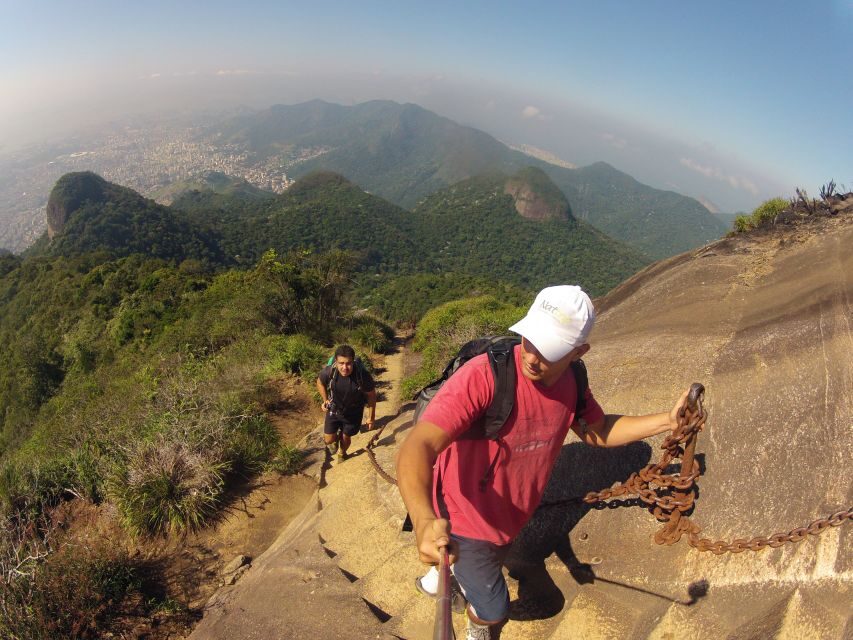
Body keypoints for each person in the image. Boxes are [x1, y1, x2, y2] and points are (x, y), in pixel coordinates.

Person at [396, 285, 690, 640]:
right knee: (494, 608)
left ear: (579, 352)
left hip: (510, 516)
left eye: (550, 349)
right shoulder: (485, 375)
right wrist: (426, 520)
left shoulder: (573, 382)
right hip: (464, 517)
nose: (532, 356)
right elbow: (419, 445)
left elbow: (597, 431)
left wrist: (667, 422)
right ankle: (479, 627)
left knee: (482, 566)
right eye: (530, 339)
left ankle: (446, 580)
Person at [316, 344, 377, 462]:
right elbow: (319, 382)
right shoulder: (330, 371)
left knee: (345, 437)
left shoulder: (362, 376)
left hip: (353, 412)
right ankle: (336, 439)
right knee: (328, 440)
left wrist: (371, 417)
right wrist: (325, 399)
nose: (345, 367)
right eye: (341, 363)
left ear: (353, 361)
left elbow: (371, 395)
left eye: (348, 363)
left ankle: (342, 452)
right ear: (336, 362)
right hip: (334, 408)